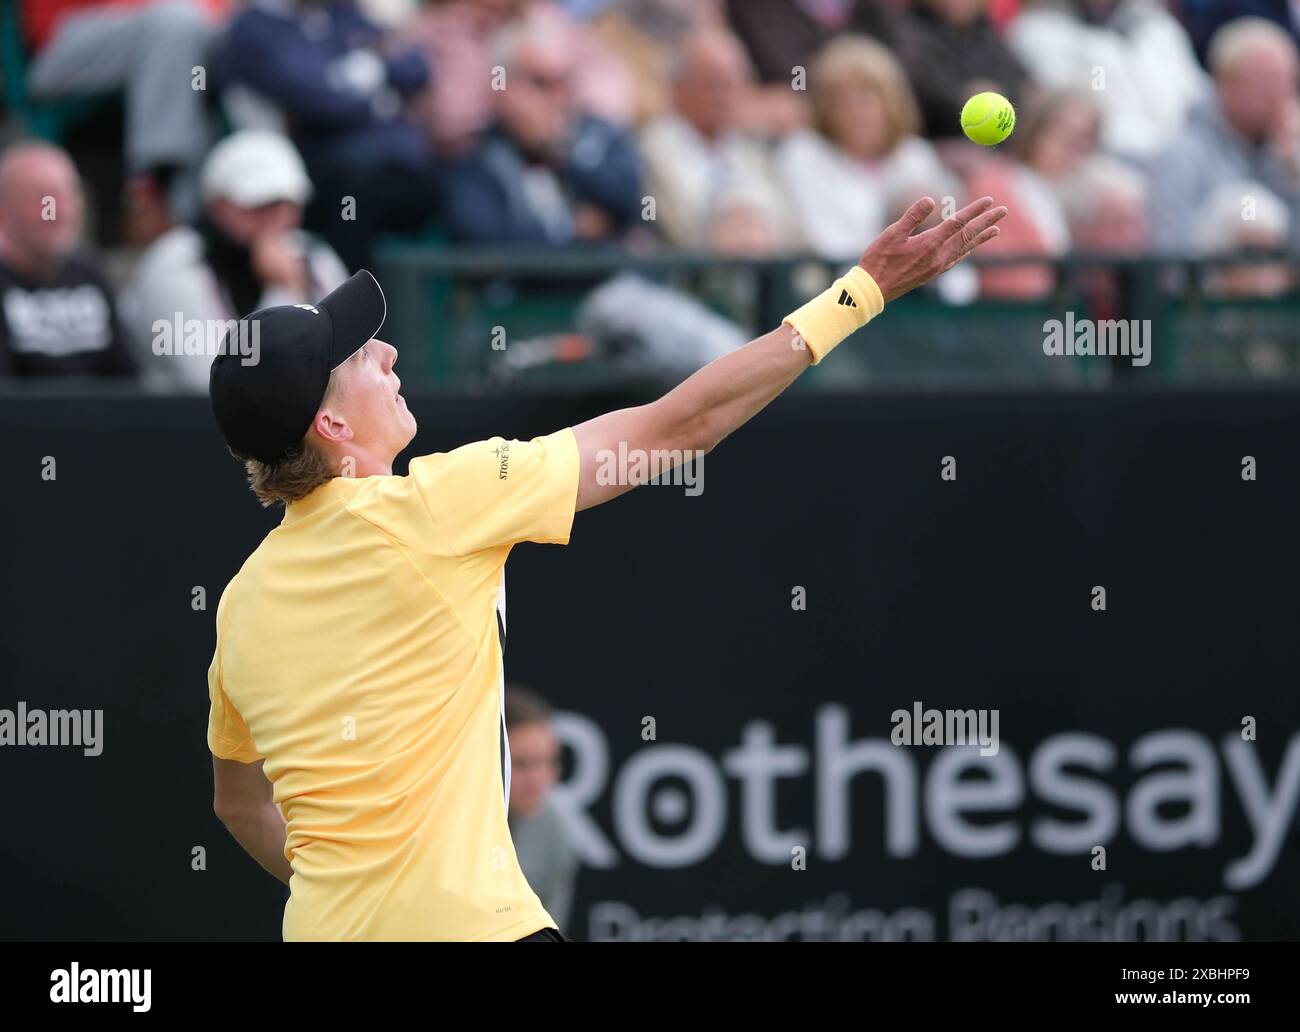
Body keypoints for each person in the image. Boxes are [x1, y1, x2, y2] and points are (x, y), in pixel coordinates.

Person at [206, 194, 1006, 941]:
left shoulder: (240, 607)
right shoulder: (439, 504)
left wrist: (354, 898)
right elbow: (679, 428)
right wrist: (860, 292)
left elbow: (239, 804)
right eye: (358, 355)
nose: (384, 349)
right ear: (332, 422)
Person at [121, 131, 349, 392]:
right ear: (217, 206)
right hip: (179, 428)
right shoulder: (174, 264)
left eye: (287, 204)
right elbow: (221, 385)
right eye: (258, 205)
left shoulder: (314, 255)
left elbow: (350, 361)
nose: (276, 219)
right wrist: (282, 290)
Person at [439, 19, 643, 244]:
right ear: (501, 88)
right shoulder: (475, 159)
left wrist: (567, 153)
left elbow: (634, 209)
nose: (559, 100)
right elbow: (486, 249)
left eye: (565, 82)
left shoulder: (600, 136)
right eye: (541, 83)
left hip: (616, 278)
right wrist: (570, 230)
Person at [774, 35, 957, 259]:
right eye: (843, 98)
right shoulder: (803, 154)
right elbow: (827, 247)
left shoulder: (915, 155)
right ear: (825, 107)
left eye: (870, 95)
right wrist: (895, 219)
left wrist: (928, 216)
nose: (859, 110)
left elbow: (951, 237)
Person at [1150, 17, 1300, 254]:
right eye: (1266, 82)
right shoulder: (1182, 157)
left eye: (1287, 82)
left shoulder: (1287, 151)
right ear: (1225, 86)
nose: (1280, 96)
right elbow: (1170, 260)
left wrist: (1293, 175)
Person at [639, 30, 794, 252]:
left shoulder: (754, 147)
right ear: (678, 88)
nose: (723, 97)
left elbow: (787, 229)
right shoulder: (653, 148)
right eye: (712, 84)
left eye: (731, 84)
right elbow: (674, 229)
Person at [0, 141, 136, 378]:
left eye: (67, 194)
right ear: (5, 207)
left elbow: (130, 381)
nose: (57, 210)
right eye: (42, 198)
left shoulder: (91, 274)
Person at [505, 685, 579, 934]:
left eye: (548, 761)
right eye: (523, 763)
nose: (538, 779)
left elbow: (551, 929)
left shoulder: (554, 825)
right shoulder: (449, 823)